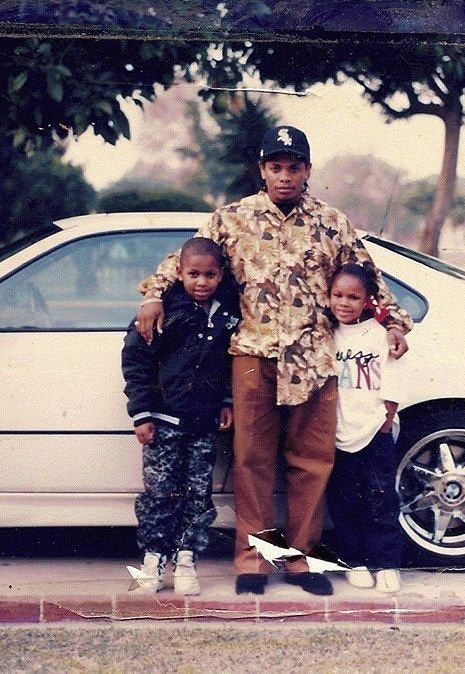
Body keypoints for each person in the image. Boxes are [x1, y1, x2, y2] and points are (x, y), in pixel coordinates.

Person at [135, 125, 413, 596]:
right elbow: (182, 261)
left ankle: (303, 562)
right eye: (275, 166)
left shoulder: (332, 223)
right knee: (252, 462)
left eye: (294, 167)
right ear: (262, 170)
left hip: (314, 359)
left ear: (307, 170)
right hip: (252, 356)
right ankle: (255, 562)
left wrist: (394, 322)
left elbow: (368, 279)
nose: (285, 176)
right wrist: (153, 298)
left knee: (311, 463)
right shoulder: (233, 218)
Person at [122, 237, 240, 594]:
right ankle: (153, 560)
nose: (201, 282)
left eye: (209, 275)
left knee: (197, 495)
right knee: (159, 493)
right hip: (162, 422)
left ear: (221, 275)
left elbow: (230, 363)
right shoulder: (163, 310)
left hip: (203, 424)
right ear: (180, 272)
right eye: (193, 274)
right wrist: (141, 414)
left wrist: (226, 401)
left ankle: (186, 559)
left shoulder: (228, 313)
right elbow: (136, 360)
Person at [326, 263, 406, 593]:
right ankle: (354, 561)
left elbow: (395, 375)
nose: (344, 303)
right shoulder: (326, 334)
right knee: (343, 501)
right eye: (337, 295)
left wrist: (387, 417)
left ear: (368, 300)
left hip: (374, 430)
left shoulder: (379, 334)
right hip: (338, 433)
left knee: (381, 496)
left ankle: (386, 561)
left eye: (353, 297)